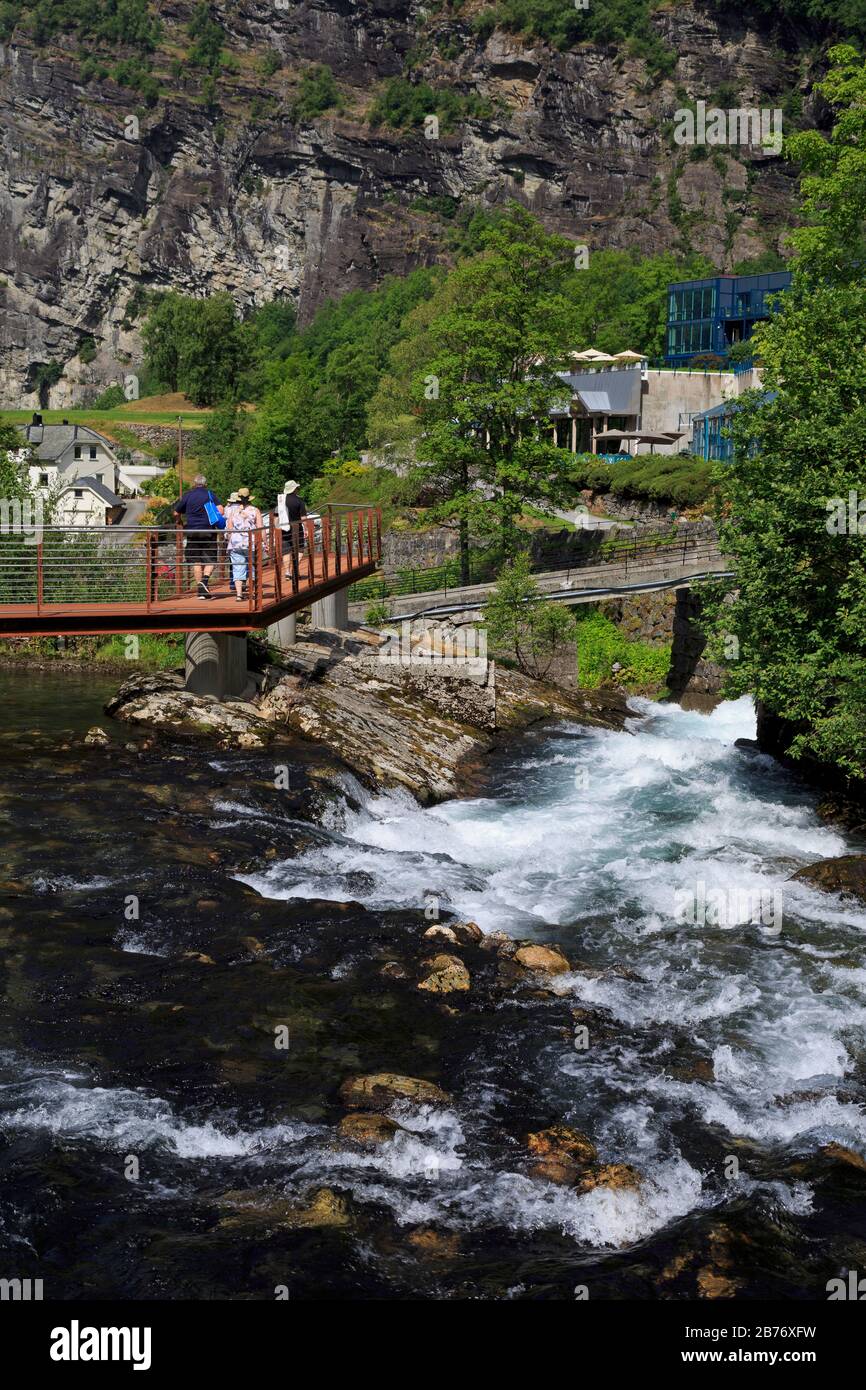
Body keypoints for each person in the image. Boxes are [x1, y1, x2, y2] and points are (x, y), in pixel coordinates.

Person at [174, 474, 223, 600]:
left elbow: (176, 512)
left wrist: (179, 521)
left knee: (196, 560)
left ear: (194, 484)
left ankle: (201, 592)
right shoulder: (209, 494)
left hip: (191, 532)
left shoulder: (188, 495)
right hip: (208, 531)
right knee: (211, 560)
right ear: (205, 484)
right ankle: (204, 582)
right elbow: (221, 511)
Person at [226, 494, 262, 602]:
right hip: (250, 542)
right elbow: (260, 528)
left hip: (235, 543)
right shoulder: (255, 510)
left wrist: (229, 541)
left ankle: (239, 594)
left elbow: (229, 530)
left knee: (237, 568)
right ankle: (253, 592)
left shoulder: (233, 511)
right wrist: (264, 542)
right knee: (253, 567)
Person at [276, 479, 306, 583]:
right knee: (300, 549)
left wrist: (277, 528)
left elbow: (276, 516)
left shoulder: (281, 500)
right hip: (296, 527)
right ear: (294, 489)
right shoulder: (299, 501)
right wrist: (306, 529)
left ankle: (287, 572)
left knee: (286, 550)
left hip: (284, 527)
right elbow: (303, 518)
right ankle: (295, 570)